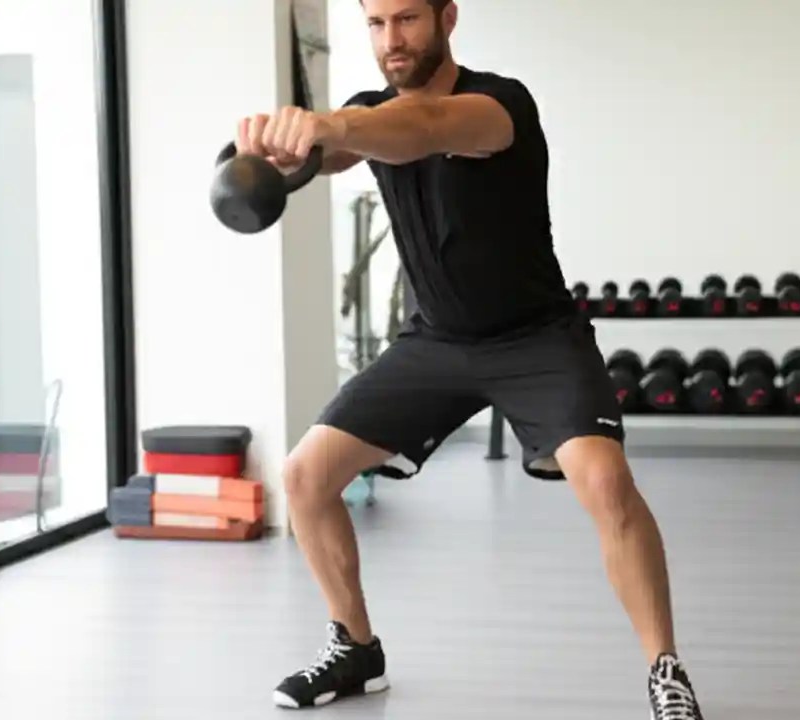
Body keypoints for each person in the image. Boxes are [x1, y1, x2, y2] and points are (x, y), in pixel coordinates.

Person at [235, 1, 704, 717]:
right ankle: (357, 650)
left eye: (408, 19)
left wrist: (327, 122)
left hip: (536, 338)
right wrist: (277, 151)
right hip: (436, 344)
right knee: (304, 477)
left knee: (606, 481)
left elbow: (421, 129)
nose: (392, 40)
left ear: (447, 16)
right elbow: (335, 152)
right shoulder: (366, 116)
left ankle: (665, 672)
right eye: (377, 24)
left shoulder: (498, 104)